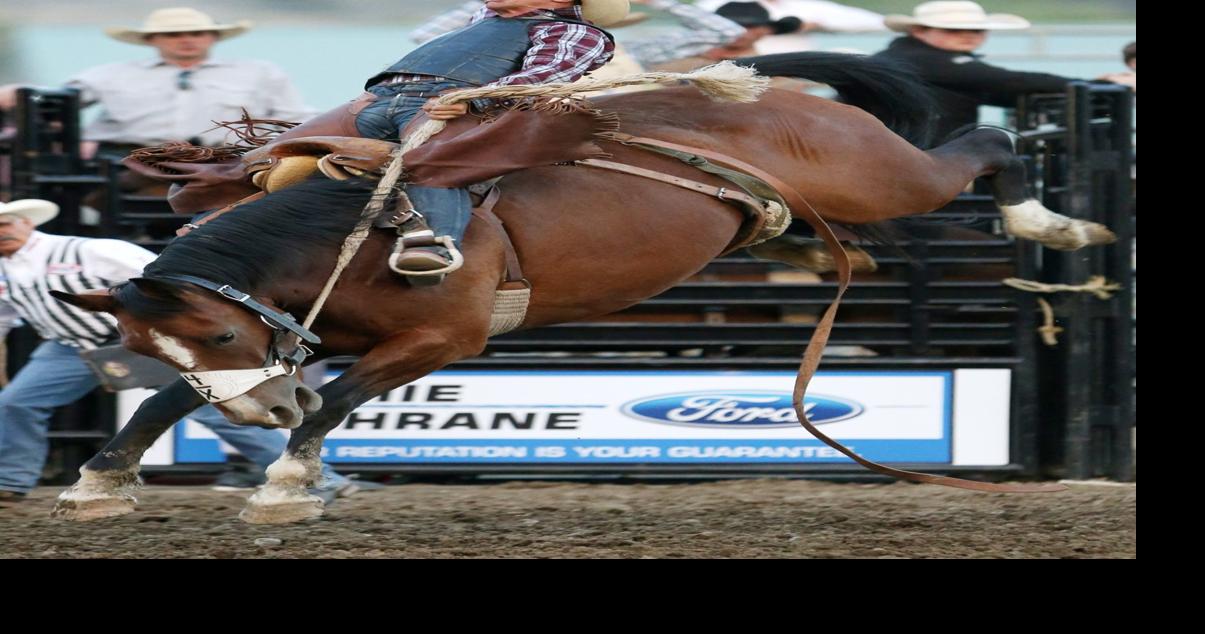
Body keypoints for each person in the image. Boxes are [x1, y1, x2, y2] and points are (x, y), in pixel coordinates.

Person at [0, 199, 359, 507]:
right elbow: (4, 318)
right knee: (16, 401)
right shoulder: (5, 269)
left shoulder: (89, 249)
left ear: (26, 222)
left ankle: (319, 477)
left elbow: (164, 280)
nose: (2, 231)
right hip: (66, 347)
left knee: (216, 409)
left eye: (5, 223)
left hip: (146, 342)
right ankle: (12, 481)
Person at [352, 0, 626, 279]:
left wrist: (473, 99)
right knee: (311, 144)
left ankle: (432, 244)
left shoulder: (572, 31)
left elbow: (541, 77)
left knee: (436, 157)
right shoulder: (483, 19)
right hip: (375, 101)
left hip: (449, 105)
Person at [0, 7, 314, 162]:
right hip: (130, 164)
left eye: (197, 33)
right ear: (152, 40)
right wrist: (15, 96)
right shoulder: (110, 75)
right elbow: (59, 100)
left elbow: (295, 118)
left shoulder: (260, 73)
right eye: (175, 34)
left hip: (225, 163)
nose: (187, 40)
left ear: (213, 37)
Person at [873, 1, 1127, 141]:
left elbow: (997, 88)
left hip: (910, 153)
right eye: (952, 29)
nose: (968, 36)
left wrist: (1091, 87)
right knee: (995, 143)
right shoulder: (913, 59)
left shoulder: (906, 58)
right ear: (919, 31)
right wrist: (1091, 84)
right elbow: (1007, 81)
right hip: (914, 157)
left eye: (977, 30)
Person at [644, 2, 802, 72]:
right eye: (728, 25)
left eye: (750, 27)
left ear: (767, 30)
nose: (739, 31)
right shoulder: (670, 59)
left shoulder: (772, 73)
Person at [696, 0, 886, 53]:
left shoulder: (802, 5)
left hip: (794, 75)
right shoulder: (718, 4)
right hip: (739, 70)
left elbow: (859, 19)